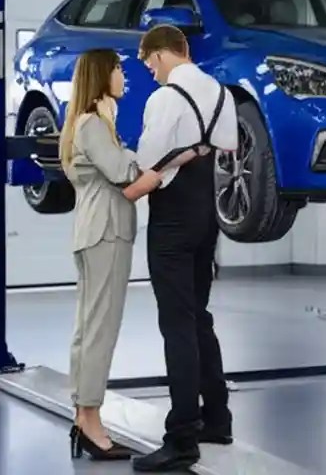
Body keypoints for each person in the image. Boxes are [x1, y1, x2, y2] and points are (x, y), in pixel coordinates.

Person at [58, 48, 200, 462]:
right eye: (118, 69)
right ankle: (92, 422)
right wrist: (174, 159)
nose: (125, 75)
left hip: (94, 233)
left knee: (88, 328)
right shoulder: (93, 125)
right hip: (106, 235)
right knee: (100, 329)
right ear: (101, 76)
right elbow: (124, 172)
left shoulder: (89, 123)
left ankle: (84, 416)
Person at [127, 24, 237, 473]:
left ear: (162, 54)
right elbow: (226, 145)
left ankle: (181, 438)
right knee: (198, 316)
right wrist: (193, 149)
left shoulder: (166, 99)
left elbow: (146, 158)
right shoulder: (223, 94)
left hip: (171, 217)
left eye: (148, 63)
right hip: (206, 213)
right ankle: (218, 417)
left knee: (176, 323)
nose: (150, 73)